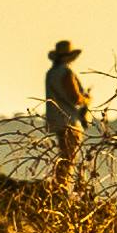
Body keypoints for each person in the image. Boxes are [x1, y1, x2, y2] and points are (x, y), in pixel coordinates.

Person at [42, 39, 90, 188]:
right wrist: (86, 99)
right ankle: (60, 187)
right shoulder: (66, 72)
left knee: (64, 155)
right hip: (70, 121)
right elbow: (75, 98)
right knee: (68, 157)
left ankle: (59, 185)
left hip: (56, 119)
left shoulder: (51, 73)